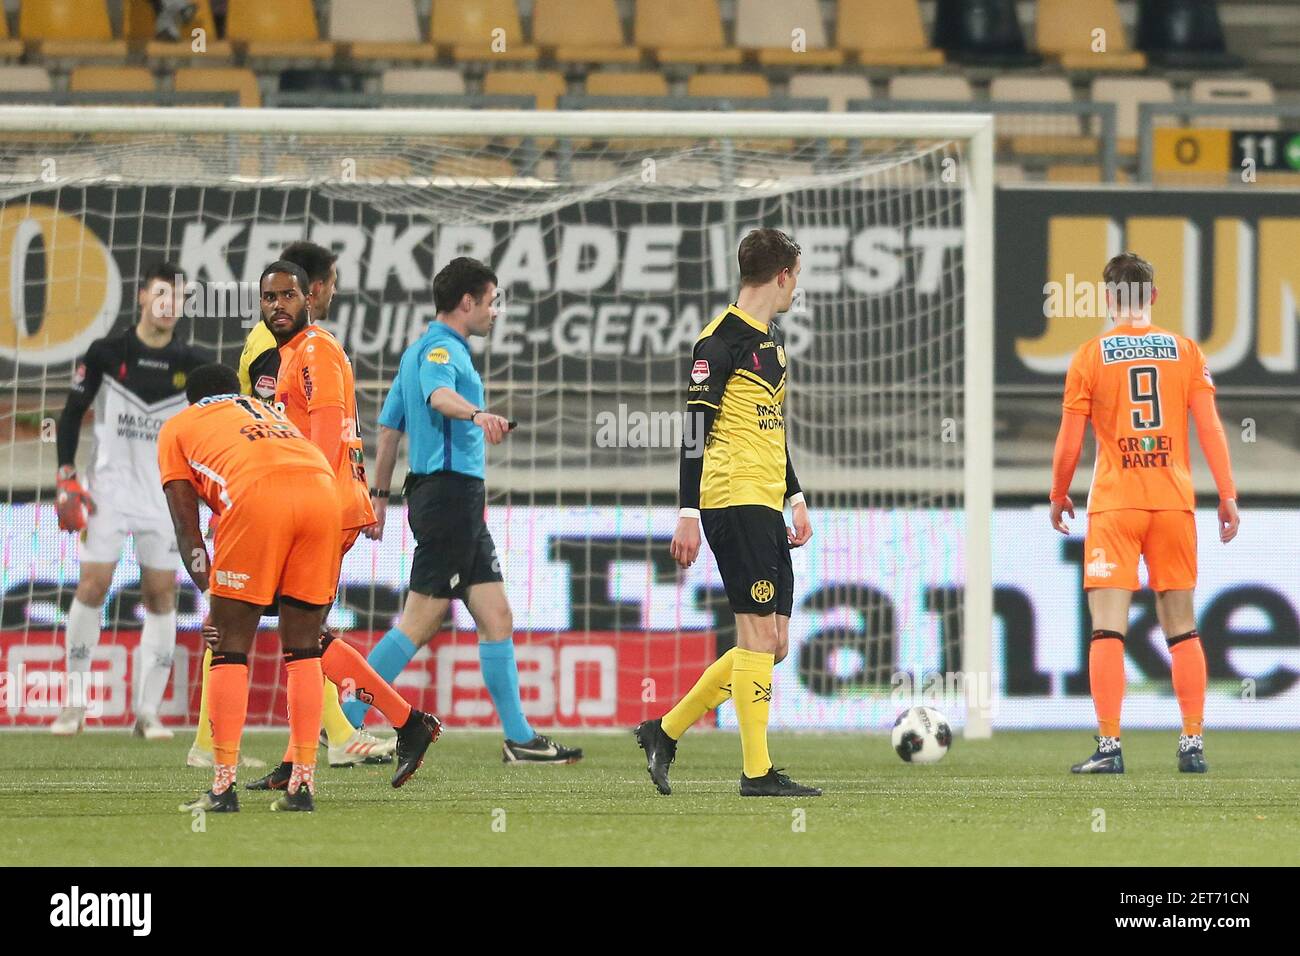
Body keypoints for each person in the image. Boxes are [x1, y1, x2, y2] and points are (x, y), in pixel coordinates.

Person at [161, 363, 440, 813]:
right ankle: (303, 783)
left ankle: (222, 786)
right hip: (323, 490)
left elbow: (185, 525)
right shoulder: (266, 407)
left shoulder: (180, 425)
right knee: (306, 646)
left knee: (231, 644)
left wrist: (212, 593)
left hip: (257, 499)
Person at [359, 256, 583, 764]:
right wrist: (477, 412)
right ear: (467, 303)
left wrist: (379, 496)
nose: (494, 312)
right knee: (420, 621)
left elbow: (389, 428)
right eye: (491, 301)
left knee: (495, 615)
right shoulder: (440, 350)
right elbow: (439, 398)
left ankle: (520, 739)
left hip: (452, 500)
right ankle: (344, 717)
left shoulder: (416, 350)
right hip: (449, 497)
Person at [189, 241, 394, 771]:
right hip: (290, 500)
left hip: (283, 498)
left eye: (287, 294)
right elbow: (295, 428)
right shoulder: (285, 348)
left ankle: (287, 750)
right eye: (271, 296)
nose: (280, 304)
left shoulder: (303, 346)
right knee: (293, 630)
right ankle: (376, 727)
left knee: (278, 626)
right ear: (318, 288)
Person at [634, 228, 819, 797]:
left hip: (765, 500)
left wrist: (795, 494)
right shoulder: (719, 342)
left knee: (775, 642)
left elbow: (770, 424)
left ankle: (663, 730)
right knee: (759, 634)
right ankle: (757, 773)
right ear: (783, 274)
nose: (795, 288)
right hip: (731, 499)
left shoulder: (772, 342)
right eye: (795, 277)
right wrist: (687, 509)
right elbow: (694, 430)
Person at [1050, 252, 1239, 774]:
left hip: (1116, 503)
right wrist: (1227, 494)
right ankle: (1192, 743)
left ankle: (1109, 747)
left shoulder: (1090, 355)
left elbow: (1071, 439)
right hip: (1174, 503)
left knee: (1108, 627)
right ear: (1152, 296)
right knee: (1182, 626)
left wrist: (1057, 492)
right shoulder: (1184, 350)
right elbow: (1211, 428)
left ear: (1109, 299)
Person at [50, 262, 204, 740]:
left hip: (165, 497)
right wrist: (65, 476)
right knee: (92, 587)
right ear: (142, 296)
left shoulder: (194, 364)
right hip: (108, 494)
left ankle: (148, 713)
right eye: (160, 293)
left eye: (176, 297)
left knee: (161, 596)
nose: (166, 304)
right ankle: (73, 706)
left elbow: (208, 431)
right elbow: (71, 413)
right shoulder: (105, 352)